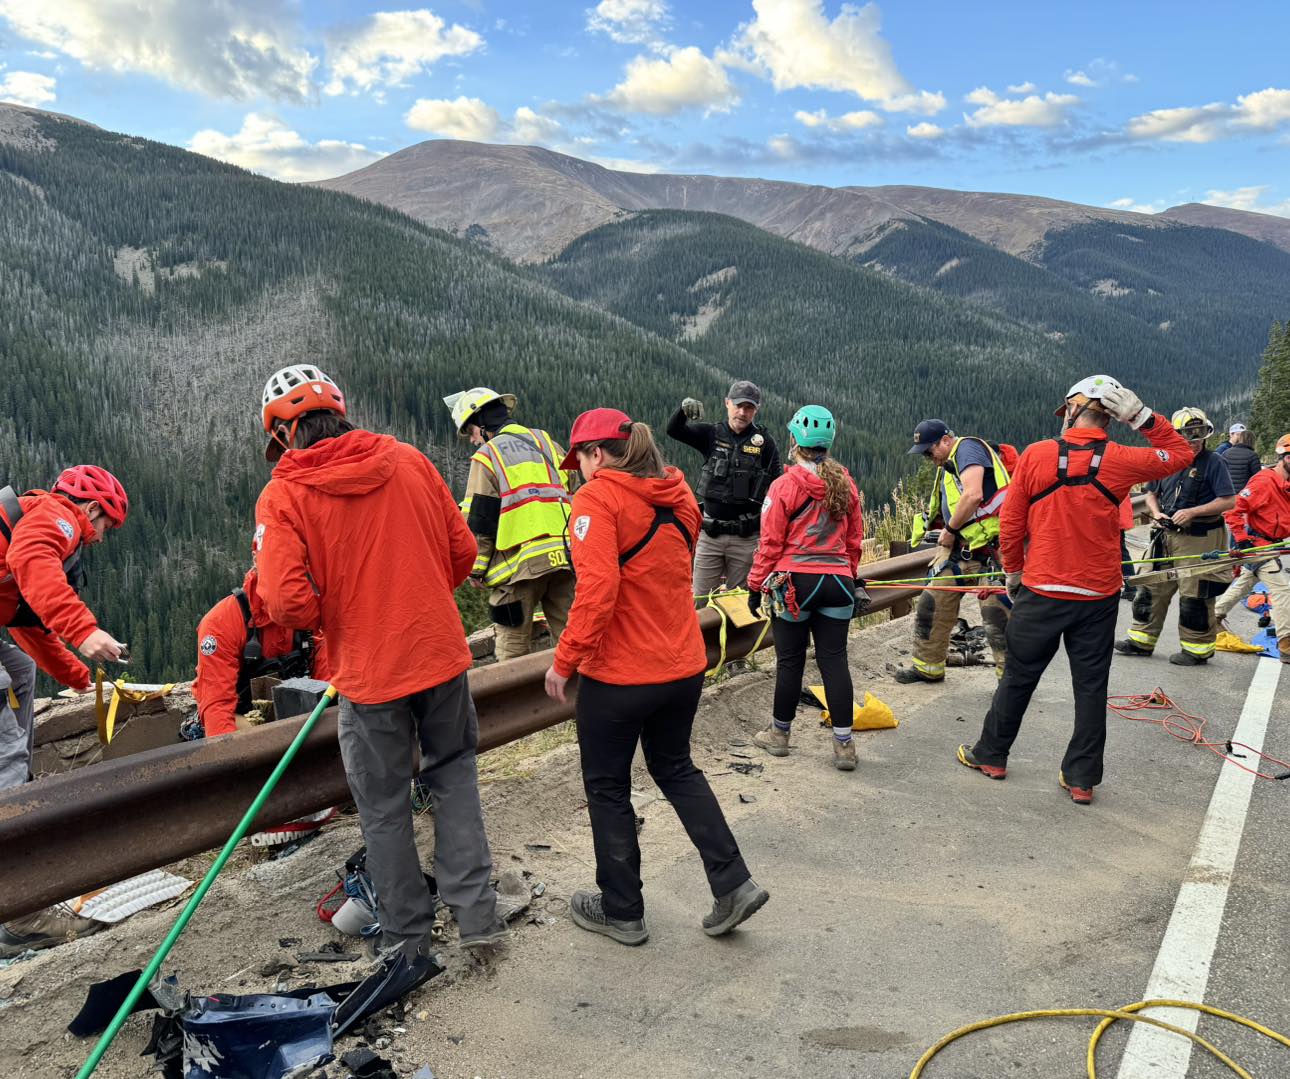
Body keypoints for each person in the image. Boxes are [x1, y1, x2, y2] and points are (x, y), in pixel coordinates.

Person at [254, 364, 503, 1021]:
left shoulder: (285, 493)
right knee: (454, 779)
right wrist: (413, 594)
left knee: (385, 805)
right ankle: (479, 920)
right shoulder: (409, 459)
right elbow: (461, 554)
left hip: (368, 674)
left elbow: (285, 601)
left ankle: (406, 943)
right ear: (342, 409)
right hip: (440, 656)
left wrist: (338, 613)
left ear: (284, 436)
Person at [543, 408, 767, 946]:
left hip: (621, 674)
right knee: (676, 769)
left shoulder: (597, 500)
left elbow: (597, 594)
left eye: (579, 460)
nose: (577, 471)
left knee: (607, 786)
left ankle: (622, 909)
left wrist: (564, 660)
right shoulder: (679, 494)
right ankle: (733, 883)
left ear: (596, 454)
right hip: (682, 665)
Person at [956, 376, 1193, 805]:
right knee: (1090, 686)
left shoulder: (1038, 455)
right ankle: (1080, 779)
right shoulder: (1122, 459)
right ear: (1110, 415)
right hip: (1097, 596)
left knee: (1018, 677)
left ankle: (991, 755)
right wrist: (1143, 419)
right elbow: (1181, 453)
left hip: (1042, 590)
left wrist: (1013, 571)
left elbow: (1012, 521)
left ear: (1071, 409)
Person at [746, 406, 865, 770]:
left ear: (795, 441)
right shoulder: (846, 483)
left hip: (795, 583)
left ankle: (779, 736)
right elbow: (854, 540)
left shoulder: (784, 485)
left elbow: (770, 543)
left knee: (790, 662)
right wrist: (850, 573)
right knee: (834, 662)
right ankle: (844, 746)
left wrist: (755, 585)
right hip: (838, 581)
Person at [0, 467, 129, 790]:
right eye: (106, 526)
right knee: (6, 750)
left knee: (21, 669)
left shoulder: (35, 515)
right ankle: (13, 807)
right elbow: (31, 558)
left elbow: (28, 625)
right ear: (92, 508)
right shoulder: (61, 516)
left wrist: (78, 679)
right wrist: (84, 632)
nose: (100, 537)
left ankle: (18, 783)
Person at [445, 387, 576, 661]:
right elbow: (573, 488)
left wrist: (475, 570)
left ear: (481, 424)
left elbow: (480, 518)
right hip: (564, 561)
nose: (472, 440)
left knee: (512, 654)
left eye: (470, 432)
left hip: (519, 571)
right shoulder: (546, 442)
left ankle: (523, 703)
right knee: (577, 641)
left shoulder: (487, 456)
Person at [895, 419, 1012, 683]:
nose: (927, 457)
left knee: (997, 614)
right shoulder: (948, 464)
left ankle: (1011, 680)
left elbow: (973, 495)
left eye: (929, 450)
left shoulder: (967, 449)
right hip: (962, 551)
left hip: (993, 550)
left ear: (945, 441)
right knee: (932, 604)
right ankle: (928, 667)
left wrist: (949, 529)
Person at [1115, 408, 1235, 665]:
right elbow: (1150, 494)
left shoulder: (1214, 463)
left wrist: (1192, 512)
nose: (1193, 442)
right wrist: (1156, 513)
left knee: (1195, 593)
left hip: (1199, 536)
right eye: (1187, 437)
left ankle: (1197, 650)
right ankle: (1141, 640)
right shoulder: (1166, 461)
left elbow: (1227, 500)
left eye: (1198, 436)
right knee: (1150, 586)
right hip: (1164, 534)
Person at [666, 381, 782, 598]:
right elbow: (674, 430)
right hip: (710, 536)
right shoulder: (711, 434)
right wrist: (683, 411)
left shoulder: (765, 443)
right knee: (700, 600)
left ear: (756, 409)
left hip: (746, 538)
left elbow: (778, 487)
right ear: (727, 403)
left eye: (749, 408)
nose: (742, 412)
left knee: (739, 604)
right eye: (738, 405)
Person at [192, 565, 330, 736]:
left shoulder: (310, 613)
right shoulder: (221, 623)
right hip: (243, 729)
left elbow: (329, 689)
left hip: (302, 727)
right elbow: (217, 714)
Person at [1214, 434, 1290, 663]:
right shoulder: (1264, 482)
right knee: (1282, 591)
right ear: (1284, 457)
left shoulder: (1287, 484)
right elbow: (1232, 508)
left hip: (1272, 544)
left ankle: (1215, 615)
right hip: (1258, 544)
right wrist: (1241, 538)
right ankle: (1286, 642)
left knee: (1245, 582)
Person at [1222, 427, 1261, 495]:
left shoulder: (1225, 453)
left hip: (1227, 494)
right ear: (1253, 441)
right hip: (1244, 495)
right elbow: (1257, 478)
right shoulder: (1252, 455)